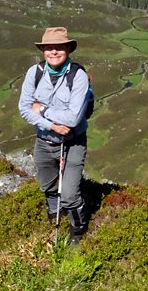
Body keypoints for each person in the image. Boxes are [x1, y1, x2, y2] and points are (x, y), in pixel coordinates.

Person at [18, 26, 90, 243]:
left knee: (69, 194)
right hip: (44, 139)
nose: (54, 52)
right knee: (47, 185)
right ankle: (54, 212)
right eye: (49, 48)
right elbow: (23, 108)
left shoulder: (78, 76)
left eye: (59, 47)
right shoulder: (35, 73)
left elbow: (73, 119)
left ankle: (78, 228)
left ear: (68, 49)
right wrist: (51, 126)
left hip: (73, 142)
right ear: (43, 50)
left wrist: (42, 110)